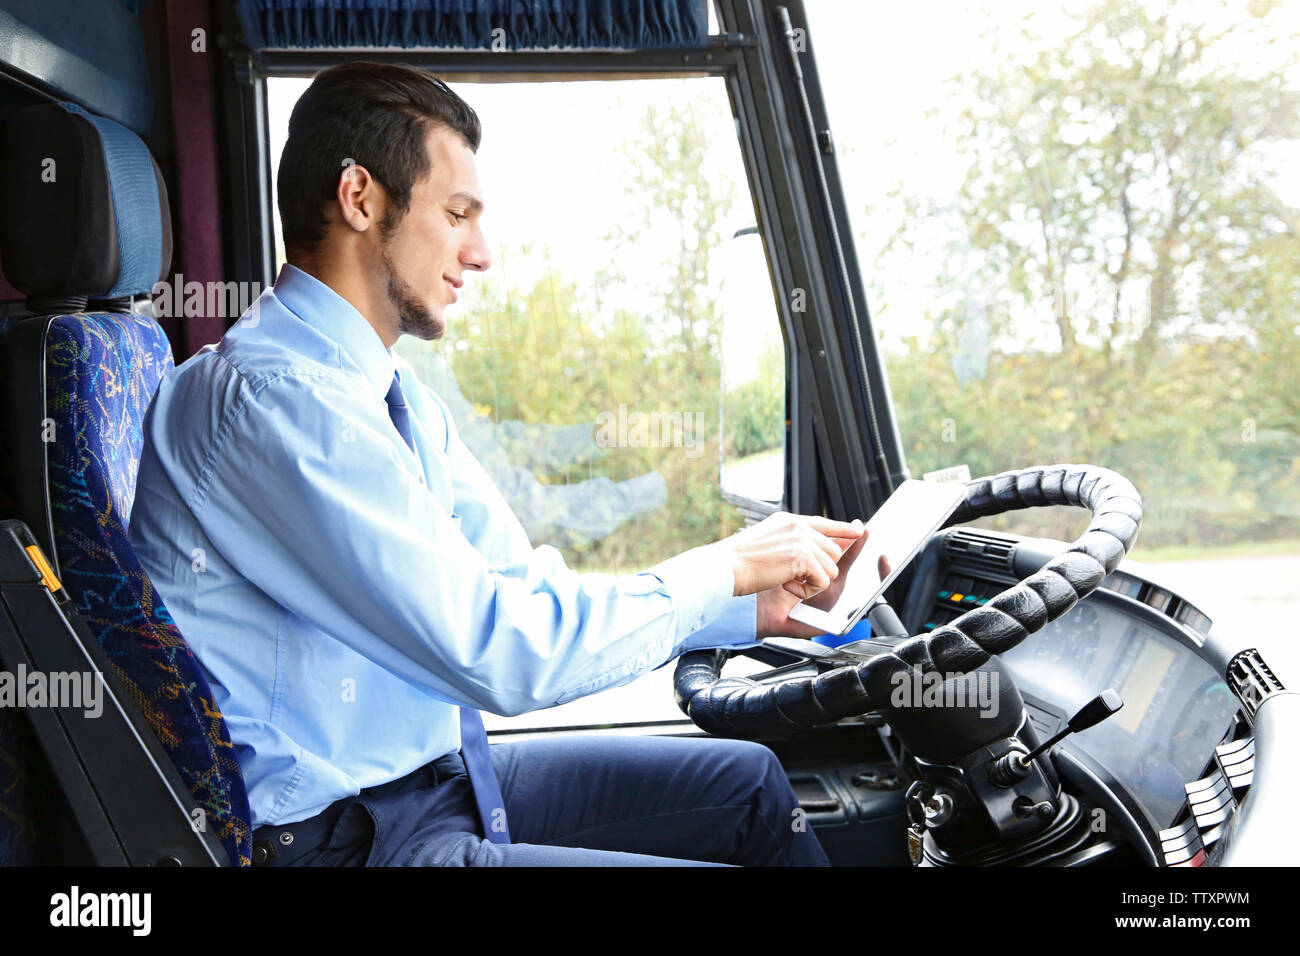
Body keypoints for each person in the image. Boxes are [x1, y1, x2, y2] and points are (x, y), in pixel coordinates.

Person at [128, 61, 865, 866]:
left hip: (430, 781)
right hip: (338, 841)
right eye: (457, 214)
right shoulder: (273, 405)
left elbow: (519, 587)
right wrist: (721, 569)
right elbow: (505, 655)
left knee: (751, 787)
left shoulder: (383, 392)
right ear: (361, 198)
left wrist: (749, 606)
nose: (481, 253)